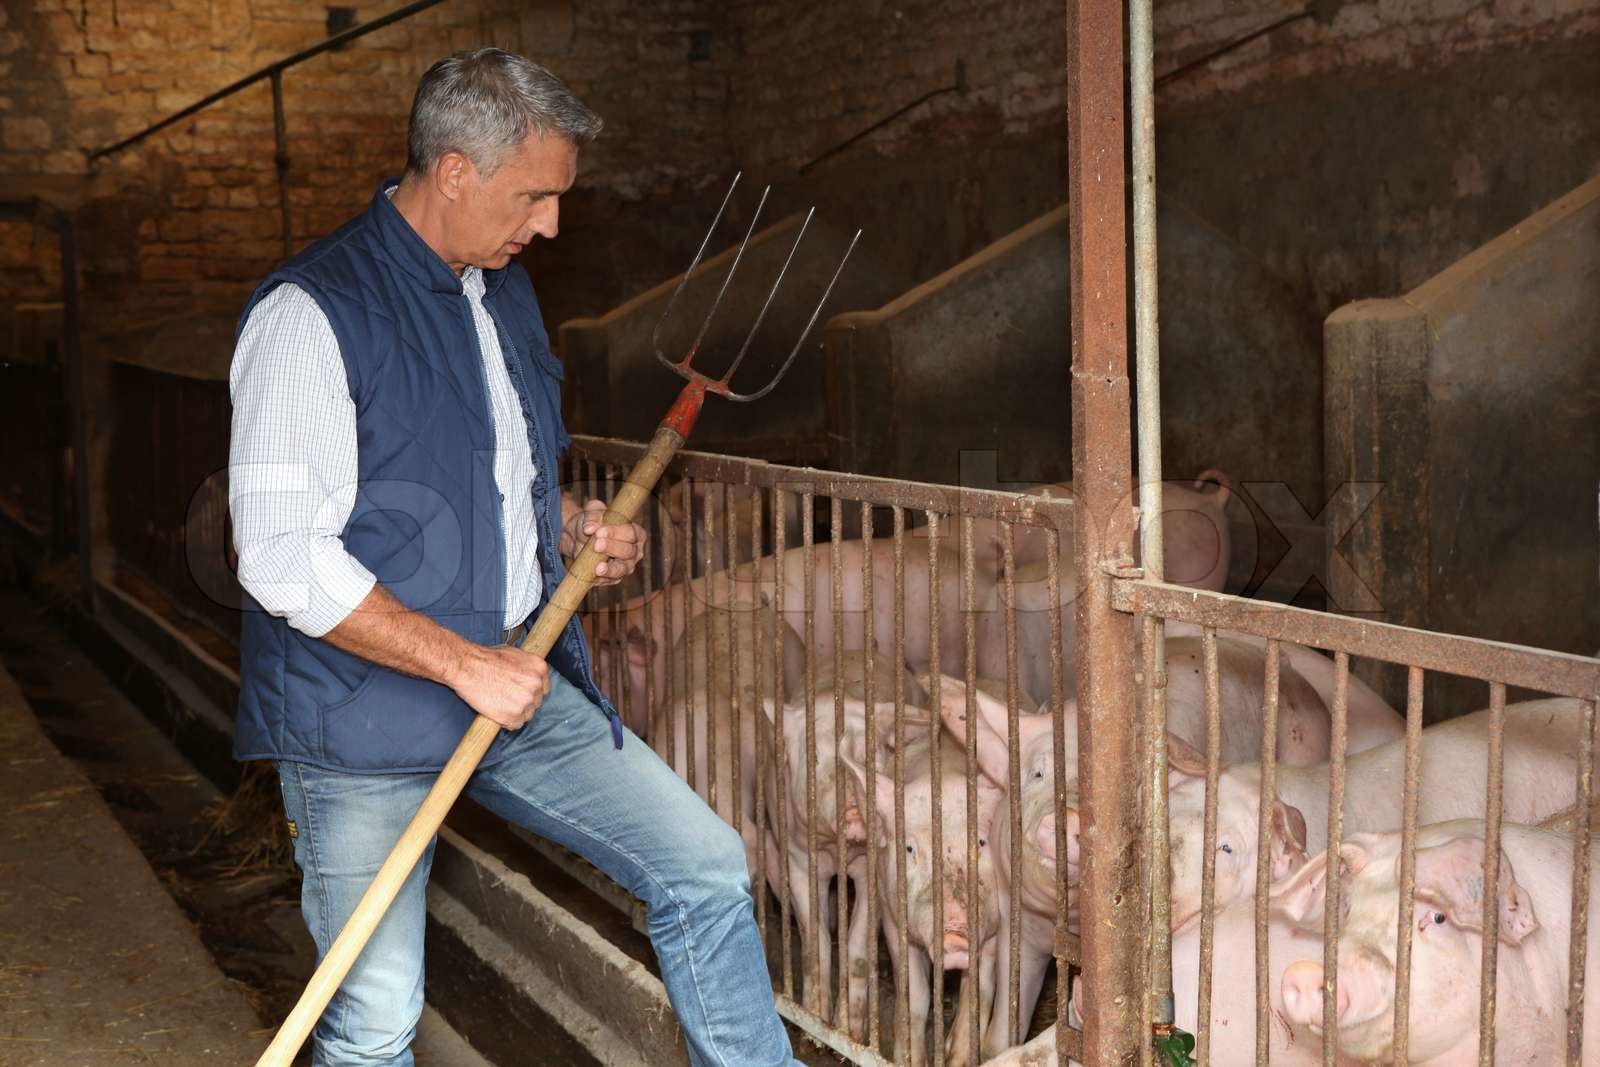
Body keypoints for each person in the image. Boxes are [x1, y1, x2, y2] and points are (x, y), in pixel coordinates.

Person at [228, 47, 800, 1067]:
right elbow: (278, 555)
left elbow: (487, 472)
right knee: (373, 1018)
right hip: (362, 710)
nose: (550, 224)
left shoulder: (500, 293)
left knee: (704, 867)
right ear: (455, 171)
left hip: (519, 670)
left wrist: (568, 526)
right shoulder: (309, 315)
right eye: (534, 195)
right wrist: (461, 662)